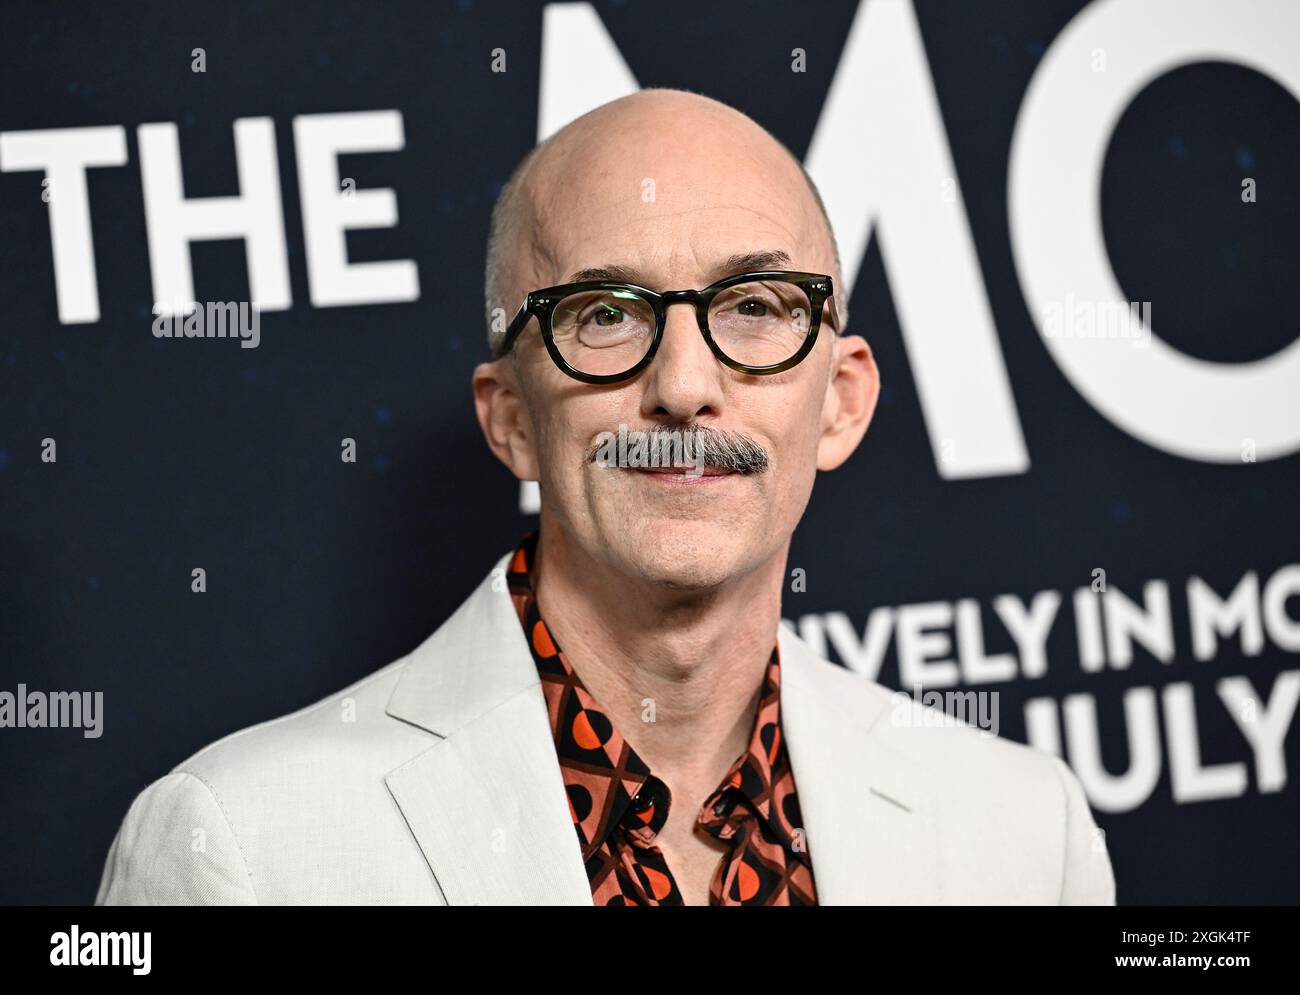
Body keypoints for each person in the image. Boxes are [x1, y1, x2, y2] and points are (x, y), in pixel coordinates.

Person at [95, 88, 1115, 906]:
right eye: (604, 314)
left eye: (755, 306)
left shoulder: (1026, 832)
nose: (681, 384)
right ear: (513, 420)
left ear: (841, 402)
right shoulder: (237, 846)